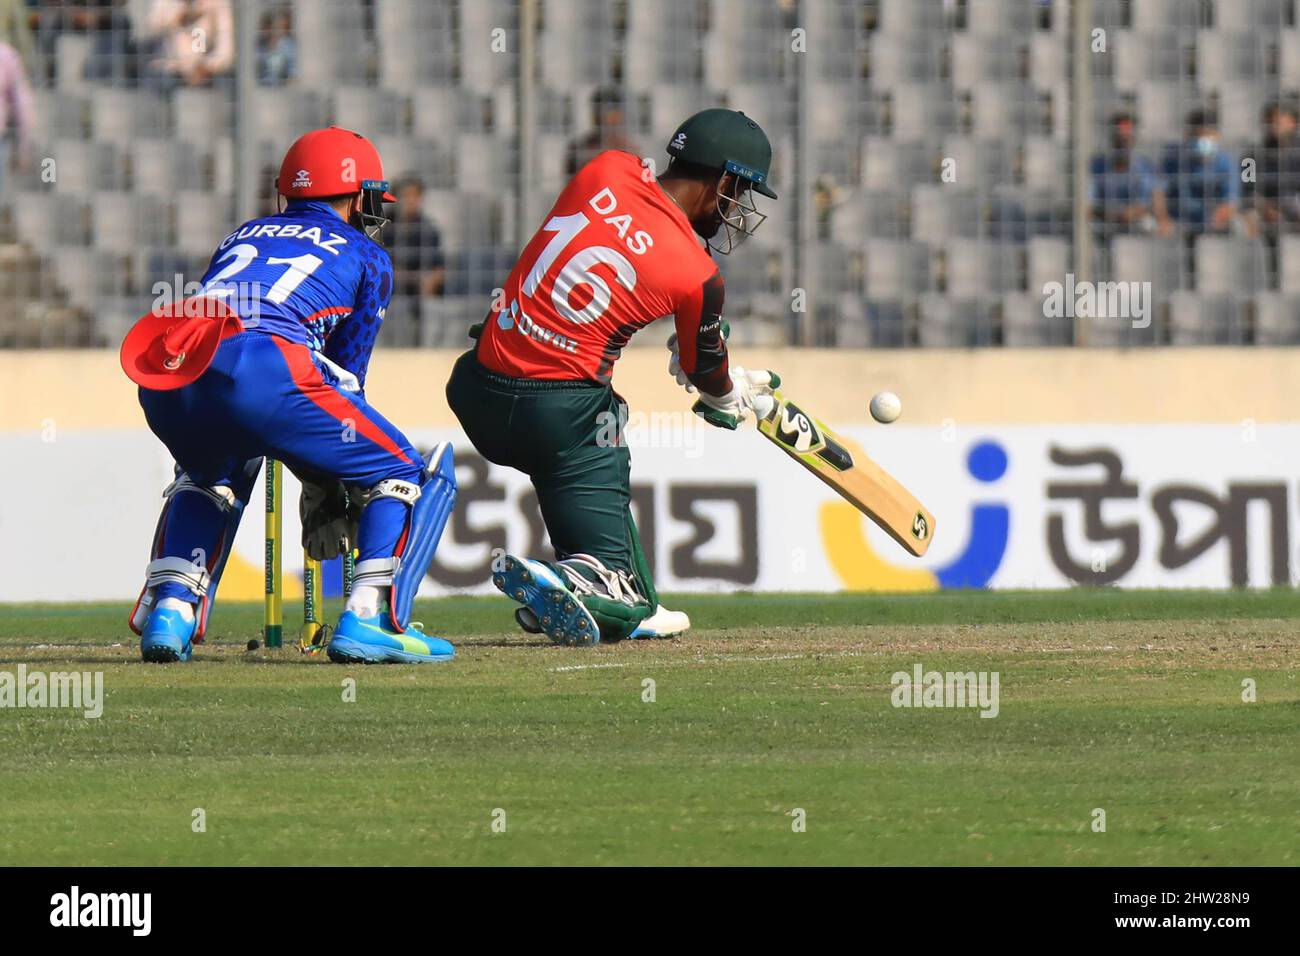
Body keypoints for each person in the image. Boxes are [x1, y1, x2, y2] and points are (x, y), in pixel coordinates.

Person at [120, 127, 457, 665]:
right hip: (263, 366)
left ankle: (171, 607)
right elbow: (345, 383)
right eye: (369, 200)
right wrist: (327, 483)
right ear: (353, 196)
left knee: (213, 471)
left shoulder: (243, 233)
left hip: (168, 366)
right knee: (407, 469)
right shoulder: (368, 256)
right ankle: (371, 620)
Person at [446, 109, 779, 646]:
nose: (738, 208)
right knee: (604, 419)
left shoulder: (604, 169)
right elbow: (706, 370)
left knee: (584, 446)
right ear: (723, 179)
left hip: (477, 387)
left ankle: (612, 593)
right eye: (740, 192)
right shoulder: (698, 276)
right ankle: (586, 581)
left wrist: (692, 344)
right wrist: (724, 391)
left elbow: (601, 258)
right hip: (556, 417)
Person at [1089, 111, 1172, 239]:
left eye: (1127, 140)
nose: (1124, 145)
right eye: (1119, 141)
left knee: (1152, 226)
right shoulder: (1097, 167)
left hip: (1138, 222)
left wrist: (1136, 212)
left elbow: (1160, 209)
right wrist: (1114, 214)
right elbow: (1087, 207)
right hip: (1106, 222)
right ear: (1112, 140)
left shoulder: (1147, 168)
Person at [1160, 108, 1239, 235]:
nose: (1202, 140)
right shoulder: (1172, 160)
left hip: (1212, 223)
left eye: (1207, 135)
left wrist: (1215, 219)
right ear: (1187, 136)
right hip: (1177, 223)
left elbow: (1230, 203)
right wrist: (1163, 218)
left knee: (1238, 225)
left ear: (1217, 136)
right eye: (1197, 135)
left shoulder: (1227, 164)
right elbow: (1159, 193)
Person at [144, 0, 233, 89]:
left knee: (225, 82)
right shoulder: (168, 4)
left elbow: (225, 49)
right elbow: (154, 25)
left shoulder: (217, 4)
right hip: (172, 68)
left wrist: (208, 67)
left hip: (207, 68)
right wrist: (179, 14)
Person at [1245, 100, 1300, 237]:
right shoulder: (1251, 156)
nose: (1274, 124)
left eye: (1279, 119)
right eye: (1270, 120)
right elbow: (1247, 188)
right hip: (1267, 212)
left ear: (1293, 122)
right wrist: (1264, 208)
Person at [565, 86, 640, 178]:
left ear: (619, 114)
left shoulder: (630, 150)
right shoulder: (578, 149)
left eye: (608, 111)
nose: (602, 117)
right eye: (597, 111)